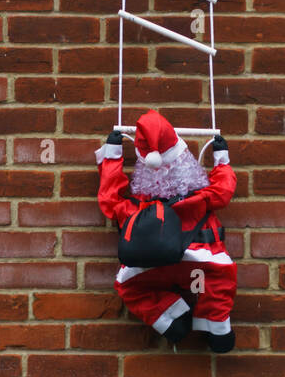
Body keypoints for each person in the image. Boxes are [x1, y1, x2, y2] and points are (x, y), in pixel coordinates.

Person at [95, 109, 237, 352]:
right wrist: (221, 159)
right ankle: (217, 327)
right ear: (184, 159)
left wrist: (111, 157)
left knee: (130, 288)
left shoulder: (137, 208)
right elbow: (223, 190)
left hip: (149, 267)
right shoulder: (200, 197)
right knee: (217, 284)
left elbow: (110, 199)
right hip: (202, 262)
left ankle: (170, 319)